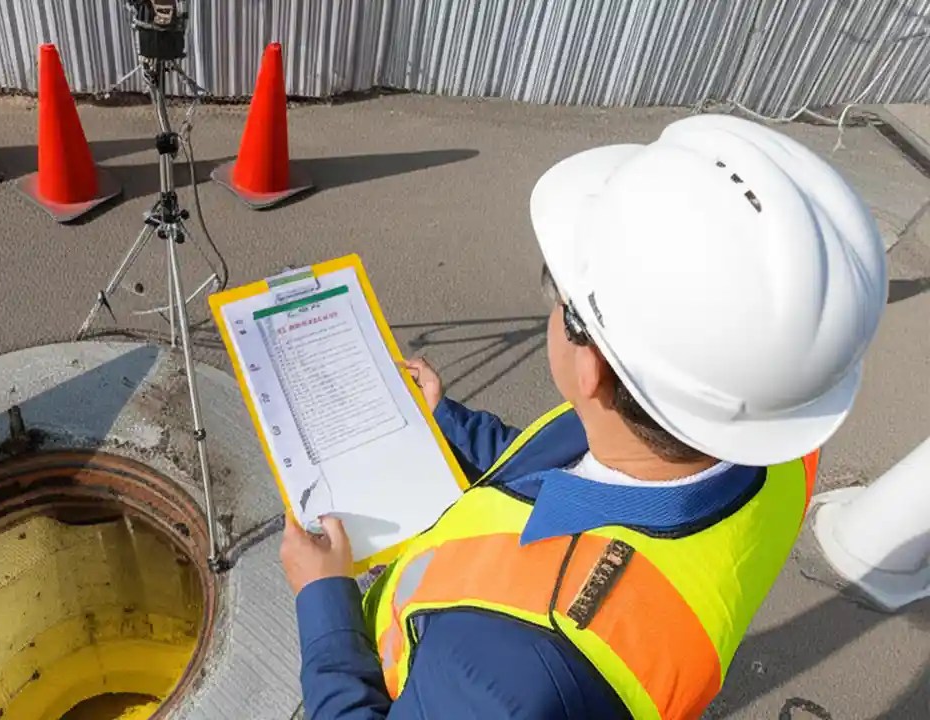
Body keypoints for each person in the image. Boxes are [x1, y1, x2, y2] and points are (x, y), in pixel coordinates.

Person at [280, 114, 888, 719]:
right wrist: (447, 422)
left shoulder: (505, 676)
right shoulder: (765, 441)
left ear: (591, 366)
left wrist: (323, 600)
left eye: (560, 293)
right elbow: (551, 477)